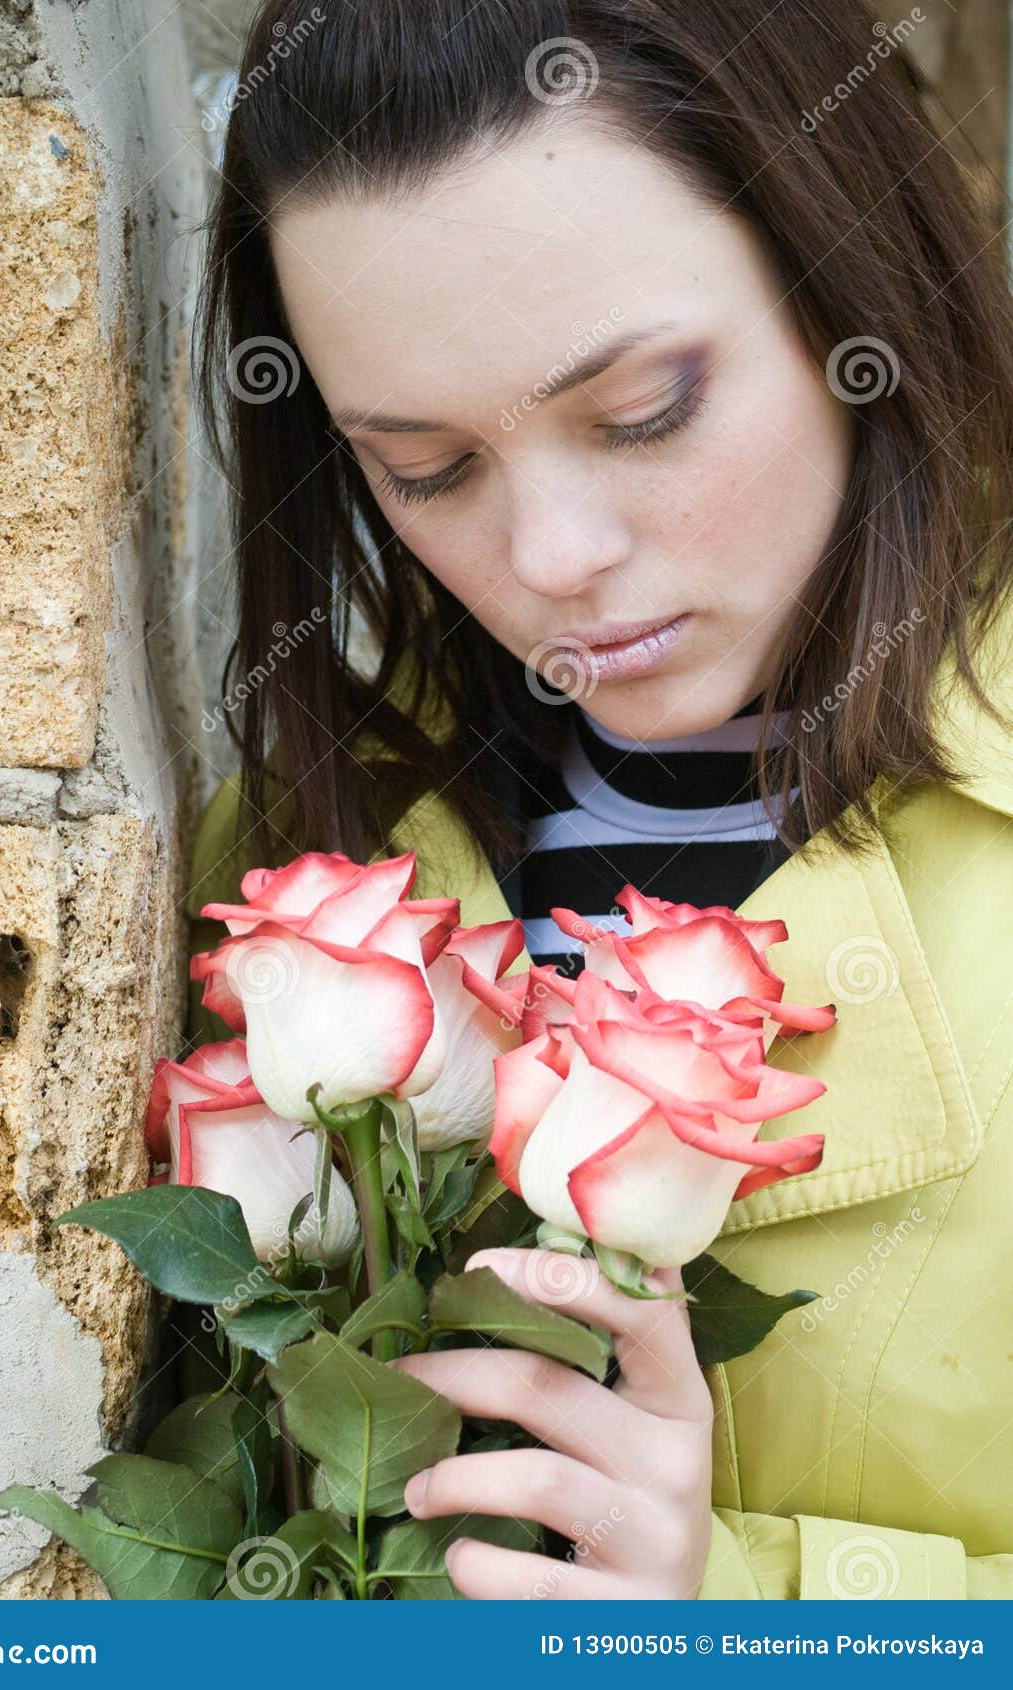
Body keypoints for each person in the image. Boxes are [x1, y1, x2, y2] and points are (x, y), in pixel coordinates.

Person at [181, 0, 1013, 1598]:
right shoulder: (306, 874)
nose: (553, 557)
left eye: (642, 412)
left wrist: (739, 1597)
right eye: (423, 467)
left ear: (850, 279)